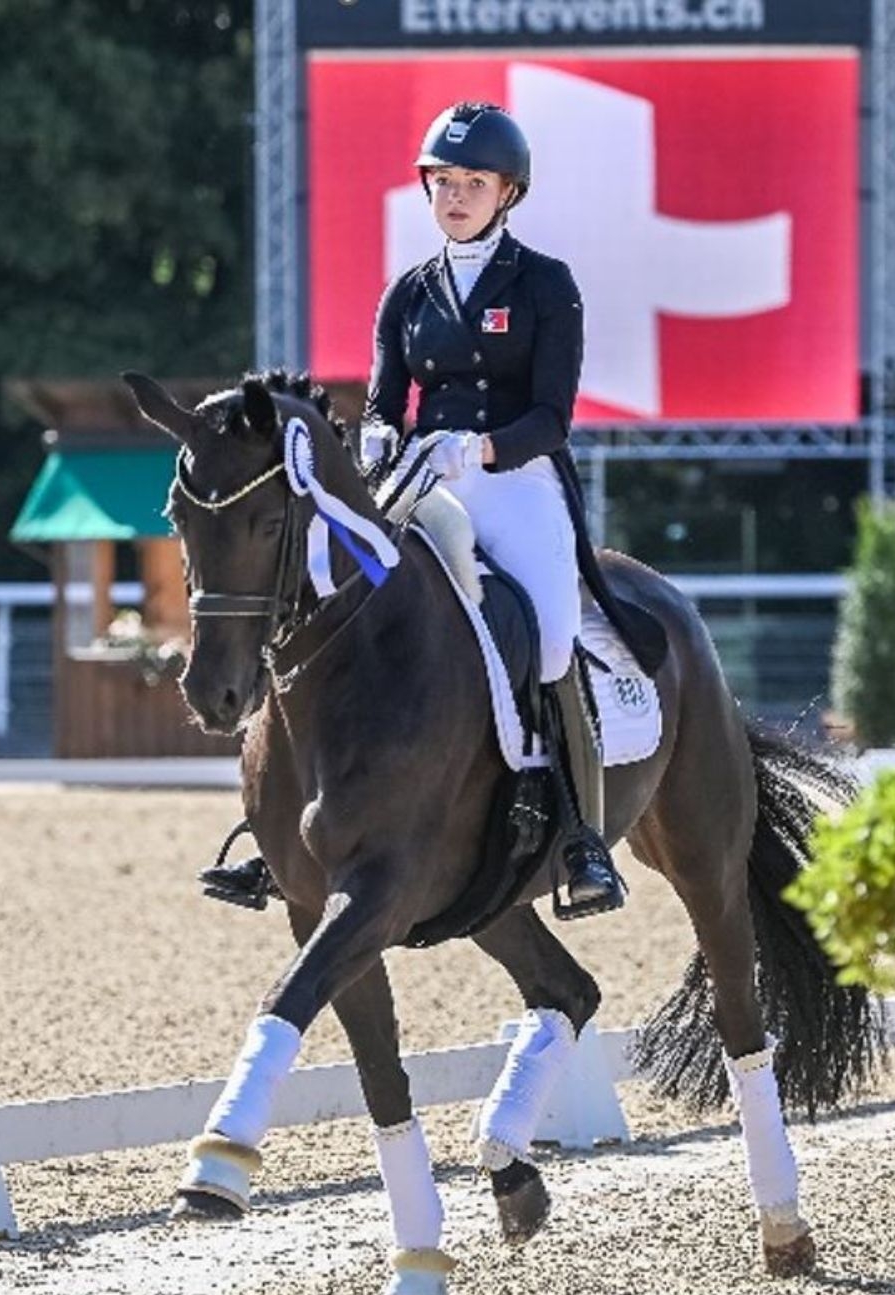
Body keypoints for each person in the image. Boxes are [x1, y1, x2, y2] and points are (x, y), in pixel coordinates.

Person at [359, 100, 625, 919]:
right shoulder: (407, 293)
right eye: (443, 179)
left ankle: (582, 837)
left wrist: (477, 450)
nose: (456, 195)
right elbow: (381, 401)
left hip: (513, 480)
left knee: (547, 632)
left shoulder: (545, 284)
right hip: (420, 484)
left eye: (475, 182)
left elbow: (552, 416)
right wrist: (374, 442)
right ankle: (293, 821)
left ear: (508, 192)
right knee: (337, 603)